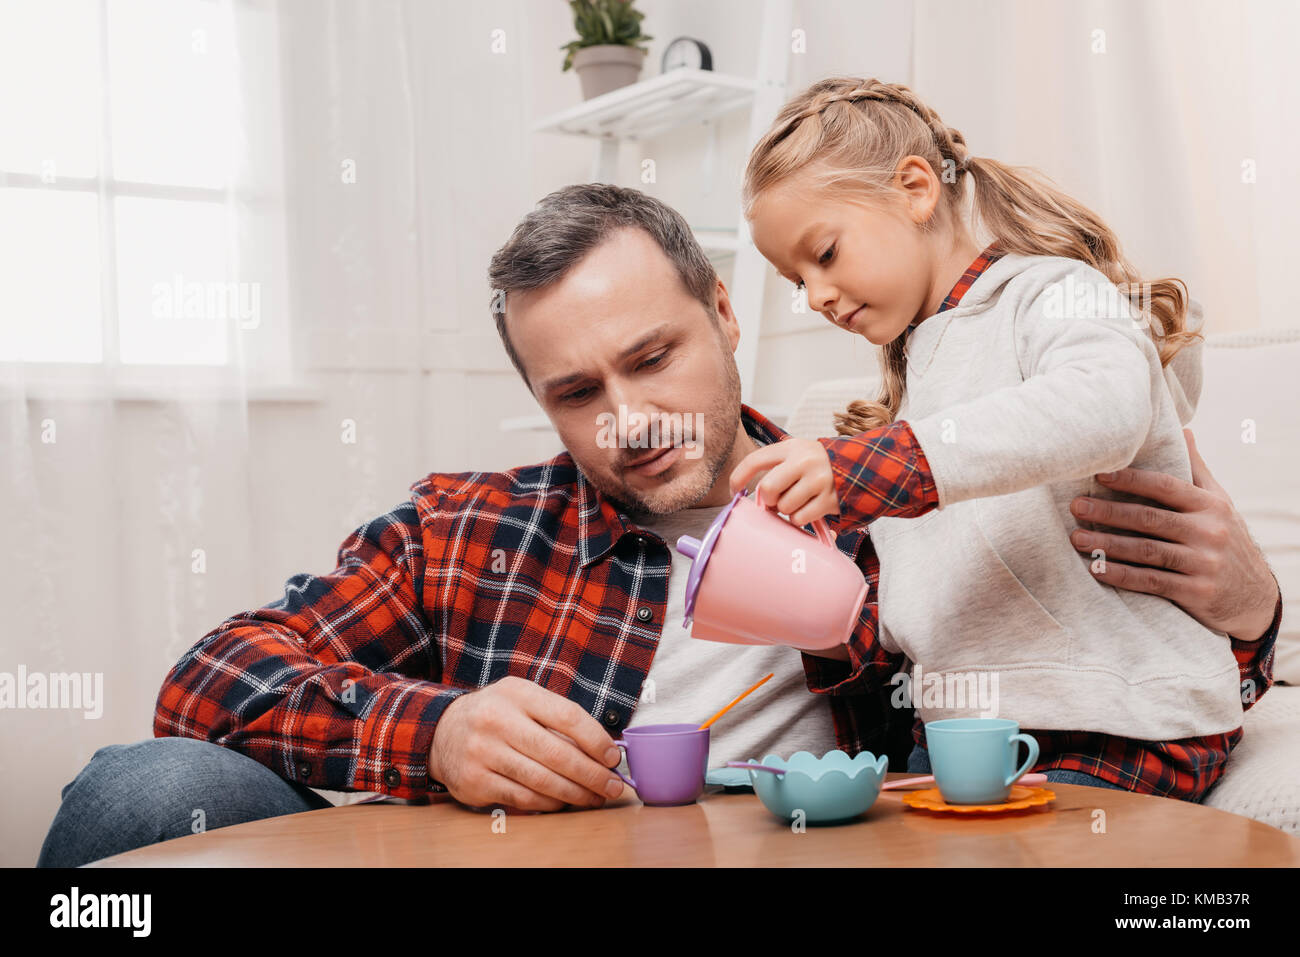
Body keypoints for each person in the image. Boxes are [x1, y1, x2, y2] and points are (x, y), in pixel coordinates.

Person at [37, 184, 1281, 867]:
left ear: (728, 317)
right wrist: (438, 729)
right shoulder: (467, 528)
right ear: (536, 400)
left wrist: (1251, 616)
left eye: (653, 355)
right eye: (578, 393)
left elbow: (1097, 679)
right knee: (146, 793)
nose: (630, 422)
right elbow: (205, 683)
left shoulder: (883, 513)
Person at [729, 76, 1283, 800]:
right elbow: (928, 602)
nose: (818, 296)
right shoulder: (911, 394)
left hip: (1116, 722)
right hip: (972, 733)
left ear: (917, 188)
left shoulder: (1050, 293)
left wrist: (877, 466)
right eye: (796, 280)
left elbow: (1104, 407)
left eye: (825, 254)